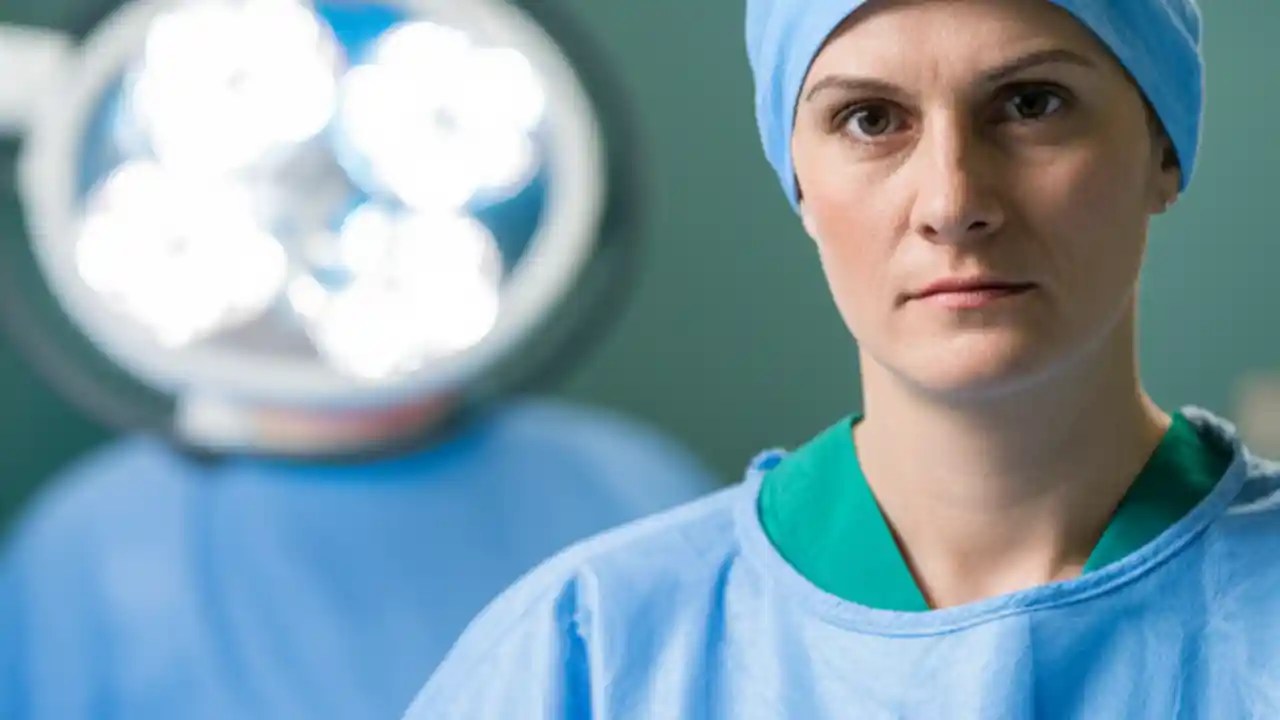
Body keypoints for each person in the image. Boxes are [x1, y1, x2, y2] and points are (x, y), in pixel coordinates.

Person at [402, 1, 1280, 717]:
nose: (951, 201)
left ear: (1164, 147)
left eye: (1031, 103)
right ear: (799, 180)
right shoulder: (586, 658)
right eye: (870, 120)